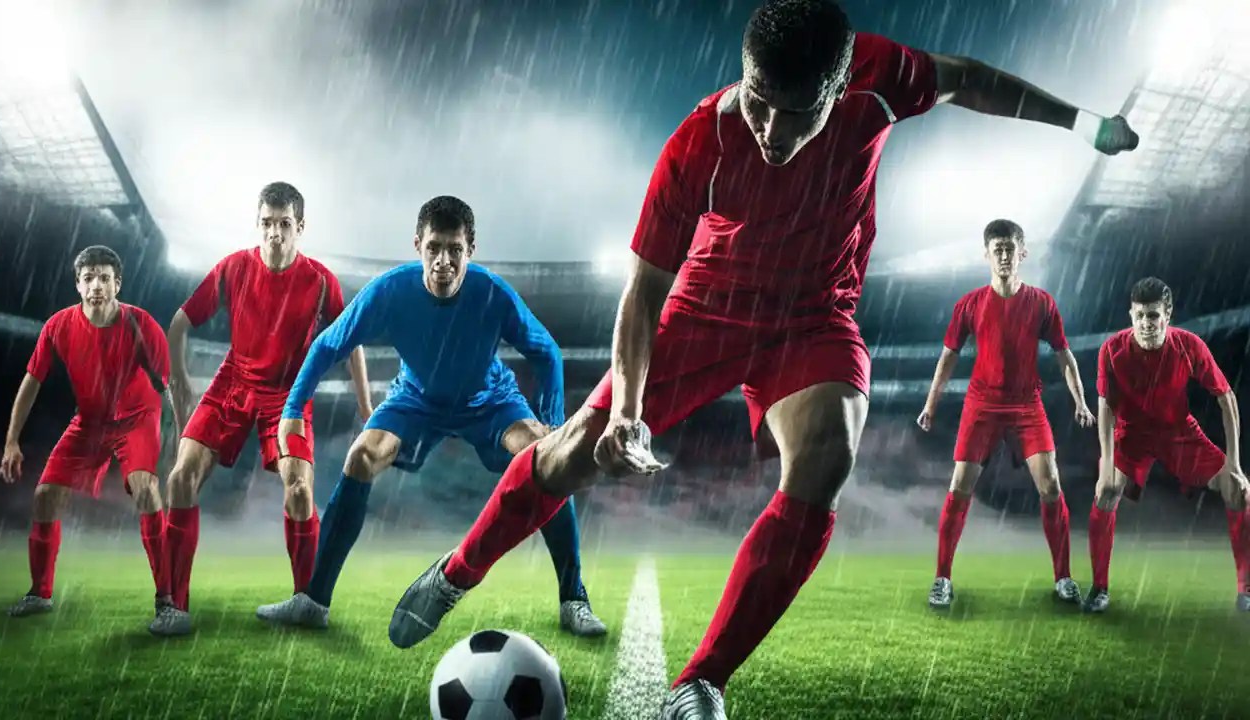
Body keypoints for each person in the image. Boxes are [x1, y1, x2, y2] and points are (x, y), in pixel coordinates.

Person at [389, 2, 1140, 717]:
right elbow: (643, 292)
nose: (771, 129)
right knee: (568, 460)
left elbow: (970, 78)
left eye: (797, 110)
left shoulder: (881, 79)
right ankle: (456, 573)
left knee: (825, 459)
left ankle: (699, 684)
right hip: (707, 312)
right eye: (759, 100)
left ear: (841, 87)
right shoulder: (698, 142)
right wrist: (624, 415)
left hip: (815, 319)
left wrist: (1083, 122)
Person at [254, 196, 606, 637]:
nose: (443, 262)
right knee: (361, 455)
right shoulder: (390, 290)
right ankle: (313, 600)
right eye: (434, 248)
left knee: (548, 460)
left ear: (469, 250)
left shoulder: (492, 293)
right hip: (416, 399)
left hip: (489, 399)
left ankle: (574, 599)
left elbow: (546, 351)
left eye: (454, 250)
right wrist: (291, 409)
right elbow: (329, 344)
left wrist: (552, 419)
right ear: (417, 244)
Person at [150, 182, 371, 636]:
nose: (274, 234)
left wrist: (367, 407)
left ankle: (307, 601)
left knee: (300, 491)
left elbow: (352, 343)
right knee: (179, 477)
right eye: (267, 223)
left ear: (300, 228)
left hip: (289, 393)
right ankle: (174, 604)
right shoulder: (233, 267)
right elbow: (179, 321)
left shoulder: (320, 280)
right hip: (232, 382)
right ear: (258, 224)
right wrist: (180, 379)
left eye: (284, 224)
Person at [918, 219, 1093, 609]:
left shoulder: (1042, 303)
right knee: (959, 486)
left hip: (1027, 405)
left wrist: (1080, 401)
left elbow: (1064, 355)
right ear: (986, 254)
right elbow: (949, 356)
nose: (1003, 255)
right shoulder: (969, 304)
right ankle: (942, 579)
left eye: (1010, 248)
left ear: (1022, 253)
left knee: (1050, 486)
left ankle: (1063, 577)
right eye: (996, 248)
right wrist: (931, 404)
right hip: (981, 406)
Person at [0, 245, 170, 623]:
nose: (96, 285)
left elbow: (170, 386)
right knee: (44, 495)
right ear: (78, 284)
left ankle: (167, 600)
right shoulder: (58, 326)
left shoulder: (142, 324)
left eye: (104, 278)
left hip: (137, 416)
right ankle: (39, 593)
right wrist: (12, 440)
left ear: (117, 284)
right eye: (89, 278)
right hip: (90, 420)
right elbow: (31, 382)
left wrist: (184, 441)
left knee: (146, 488)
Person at [1085, 277, 1249, 614]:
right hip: (1132, 434)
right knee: (1106, 491)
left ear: (1168, 314)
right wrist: (1106, 464)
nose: (1146, 324)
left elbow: (1226, 398)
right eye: (1140, 316)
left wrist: (1235, 464)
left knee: (1239, 490)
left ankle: (1246, 590)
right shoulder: (1111, 350)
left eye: (1153, 316)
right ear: (1131, 315)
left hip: (1179, 433)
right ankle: (1099, 589)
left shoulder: (1189, 346)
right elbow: (1104, 407)